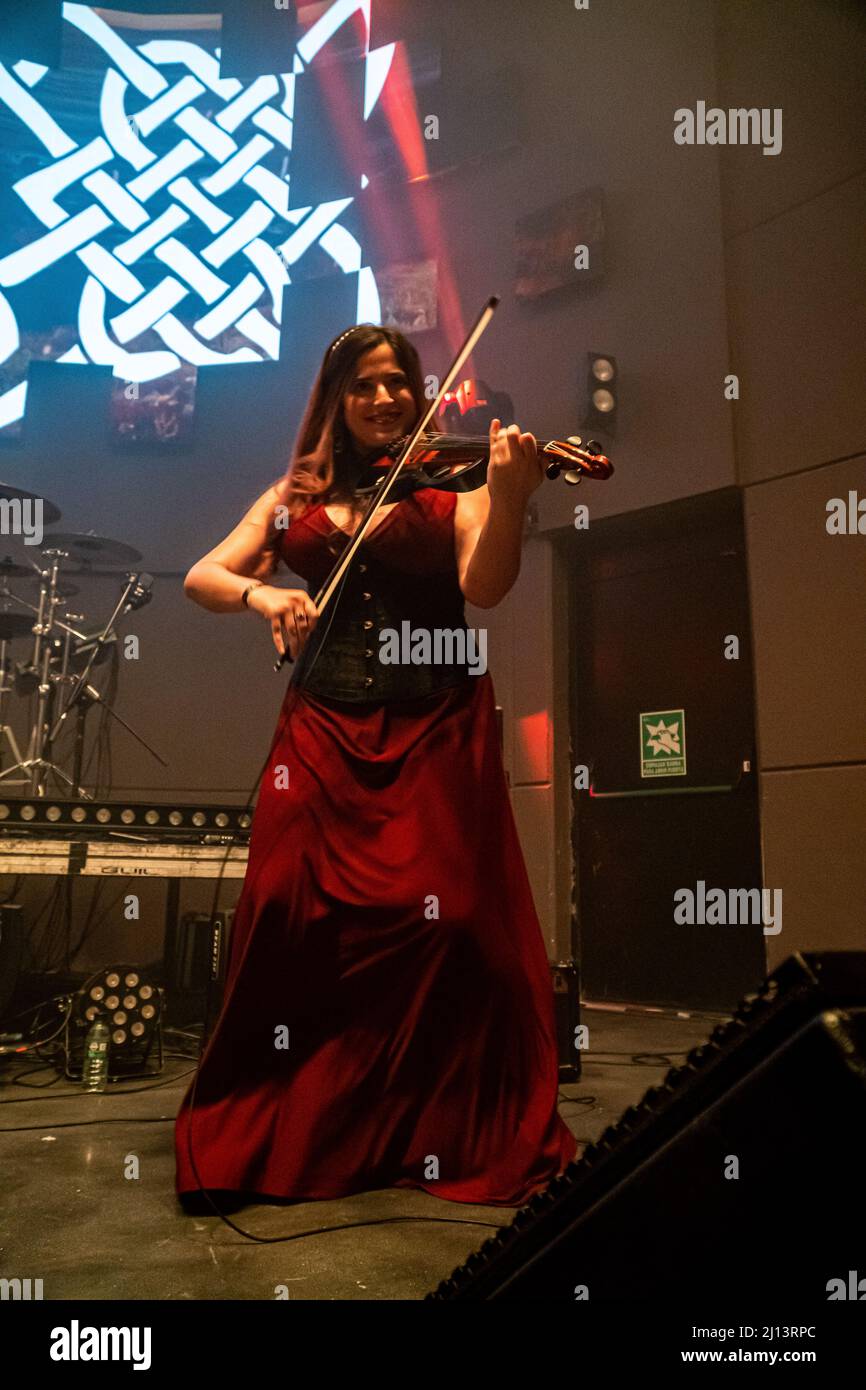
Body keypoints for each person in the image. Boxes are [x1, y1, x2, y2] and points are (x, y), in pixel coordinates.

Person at [175, 323, 577, 1211]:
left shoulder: (458, 481)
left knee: (454, 918)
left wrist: (508, 492)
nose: (386, 398)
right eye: (364, 385)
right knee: (286, 907)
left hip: (436, 719)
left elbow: (485, 586)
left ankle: (433, 1124)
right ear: (336, 402)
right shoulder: (294, 494)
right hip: (321, 724)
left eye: (399, 382)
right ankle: (304, 1119)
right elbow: (204, 575)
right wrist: (264, 590)